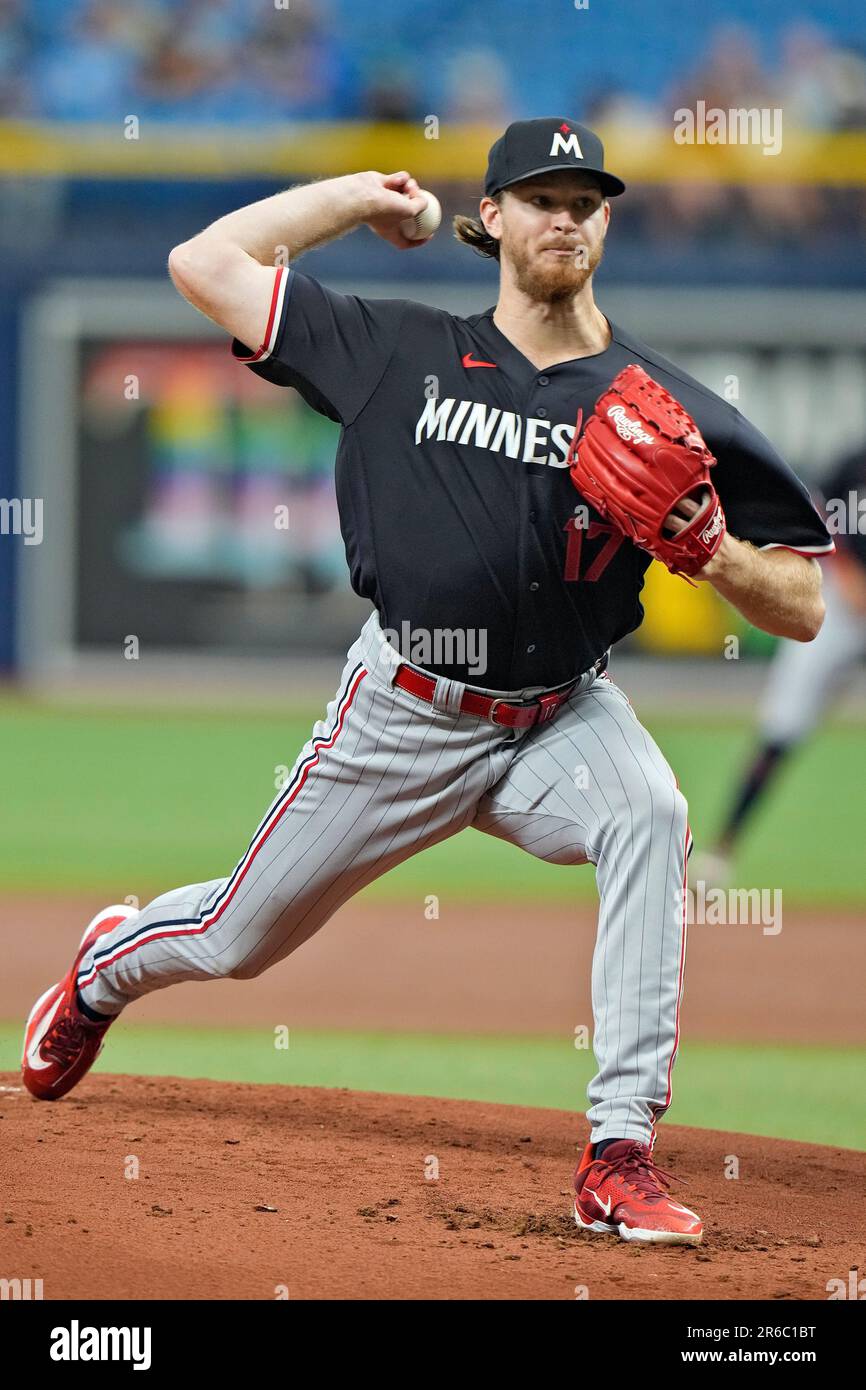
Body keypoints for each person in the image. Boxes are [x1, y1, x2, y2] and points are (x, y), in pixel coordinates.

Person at [22, 118, 832, 1246]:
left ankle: (616, 1153)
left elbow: (804, 604)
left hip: (559, 711)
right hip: (401, 708)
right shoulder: (392, 349)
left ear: (604, 223)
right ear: (489, 217)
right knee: (234, 940)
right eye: (539, 197)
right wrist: (359, 194)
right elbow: (204, 265)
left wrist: (712, 552)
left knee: (649, 811)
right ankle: (106, 967)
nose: (564, 217)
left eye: (584, 200)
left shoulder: (663, 403)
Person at [692, 447, 866, 888]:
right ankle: (722, 850)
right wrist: (847, 575)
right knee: (780, 728)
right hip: (841, 610)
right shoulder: (855, 461)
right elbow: (821, 514)